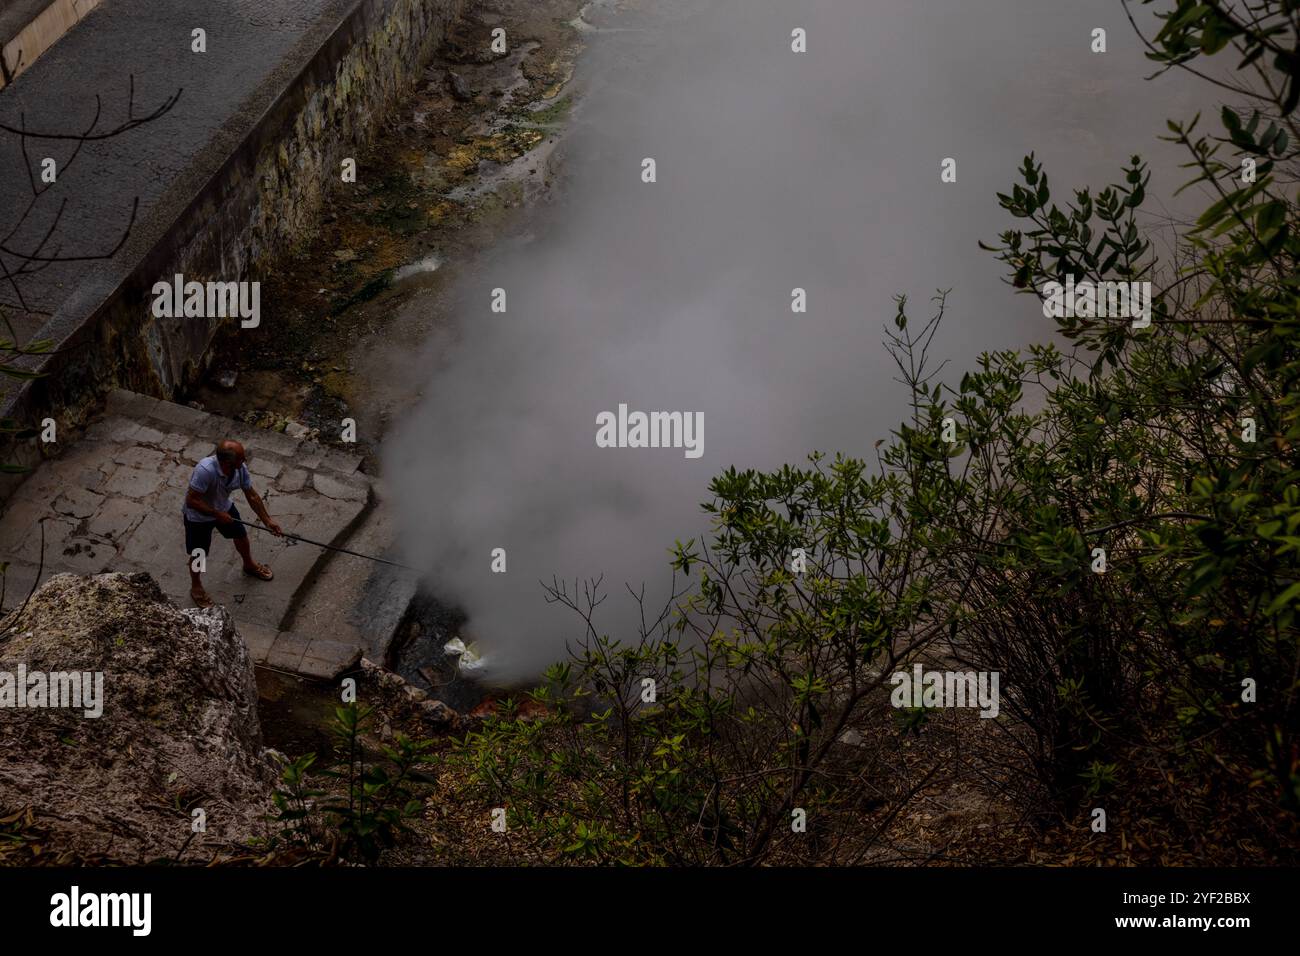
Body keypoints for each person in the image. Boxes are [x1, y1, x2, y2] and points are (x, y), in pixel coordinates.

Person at [183, 439, 282, 608]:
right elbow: (191, 500)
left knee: (241, 535)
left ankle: (249, 564)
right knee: (199, 553)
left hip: (223, 507)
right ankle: (196, 586)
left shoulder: (239, 469)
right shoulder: (205, 470)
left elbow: (251, 495)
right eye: (241, 458)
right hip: (199, 517)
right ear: (227, 462)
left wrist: (267, 521)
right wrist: (216, 514)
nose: (245, 461)